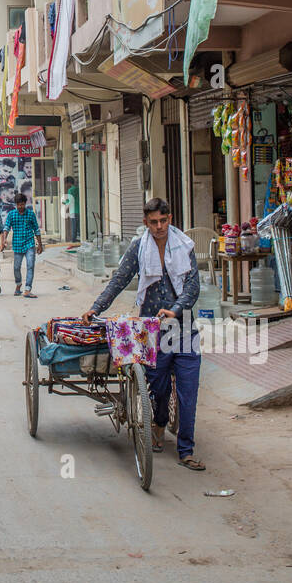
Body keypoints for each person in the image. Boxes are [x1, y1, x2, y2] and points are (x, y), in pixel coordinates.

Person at [81, 197, 205, 470]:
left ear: (170, 219)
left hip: (183, 327)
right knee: (157, 387)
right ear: (145, 223)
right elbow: (119, 280)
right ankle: (159, 423)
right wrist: (96, 308)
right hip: (150, 329)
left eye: (163, 221)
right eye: (153, 222)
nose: (159, 226)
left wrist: (174, 309)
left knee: (188, 392)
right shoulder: (139, 247)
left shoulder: (185, 246)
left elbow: (193, 287)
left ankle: (186, 450)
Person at [1, 193, 42, 296]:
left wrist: (40, 245)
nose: (20, 207)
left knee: (30, 266)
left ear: (25, 203)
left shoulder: (31, 214)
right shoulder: (11, 214)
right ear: (16, 204)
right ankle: (18, 284)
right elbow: (6, 228)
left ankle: (28, 289)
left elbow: (36, 230)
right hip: (17, 244)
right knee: (16, 267)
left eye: (22, 204)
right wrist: (4, 239)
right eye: (18, 205)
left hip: (29, 244)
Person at [64, 175, 80, 242]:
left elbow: (69, 201)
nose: (65, 185)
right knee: (78, 226)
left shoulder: (70, 190)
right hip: (79, 210)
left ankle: (73, 240)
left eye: (66, 183)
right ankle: (78, 238)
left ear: (68, 183)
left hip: (73, 210)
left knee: (74, 226)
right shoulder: (78, 189)